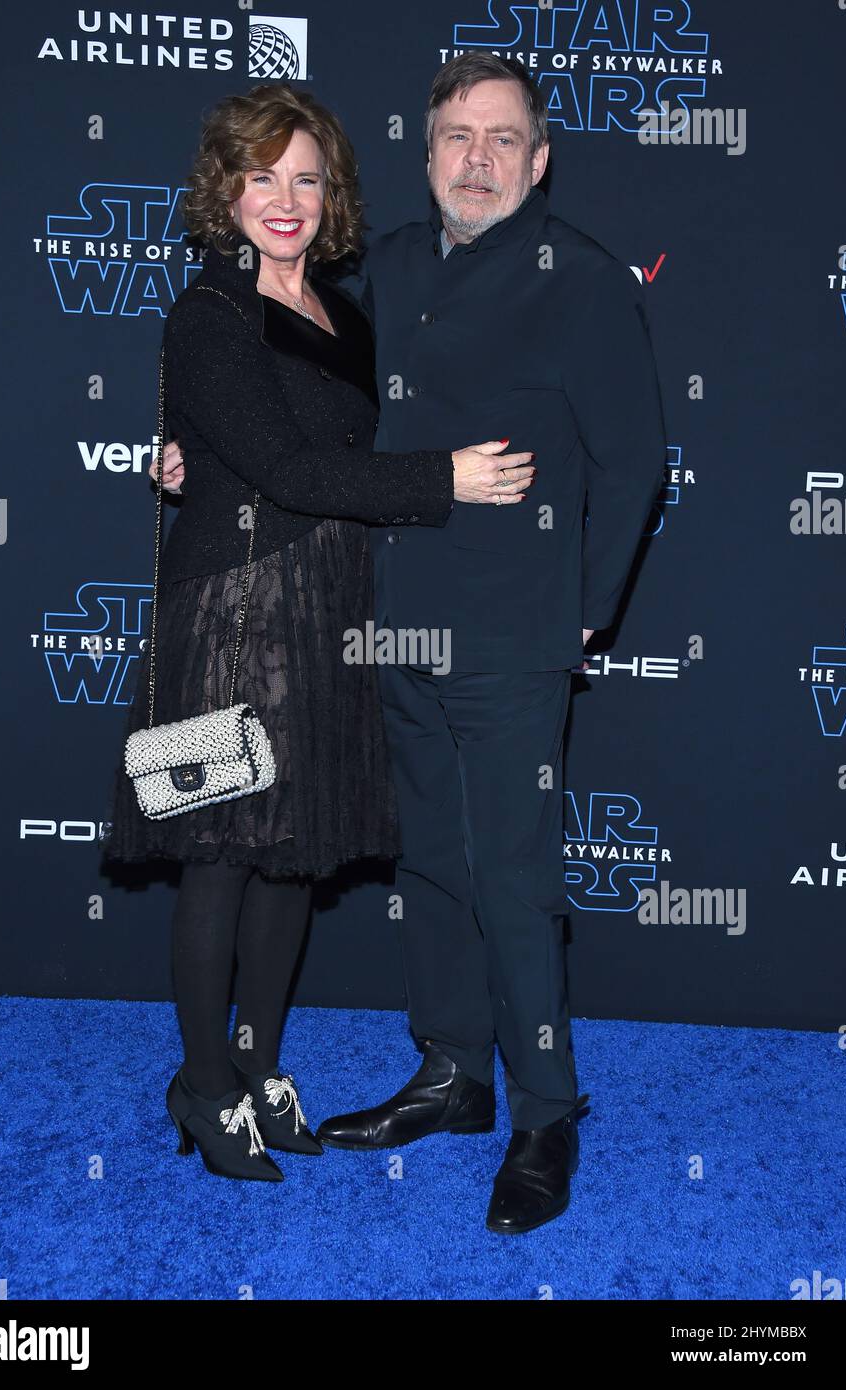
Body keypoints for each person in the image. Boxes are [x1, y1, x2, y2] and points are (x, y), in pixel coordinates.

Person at [101, 82, 535, 1183]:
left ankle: (256, 1064)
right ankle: (200, 1085)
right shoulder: (208, 313)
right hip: (234, 611)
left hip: (331, 608)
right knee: (221, 857)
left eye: (307, 176)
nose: (285, 199)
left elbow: (315, 443)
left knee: (291, 860)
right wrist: (445, 480)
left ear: (331, 189)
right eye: (263, 176)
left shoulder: (346, 314)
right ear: (226, 188)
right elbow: (290, 471)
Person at [313, 55, 668, 1234]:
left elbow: (635, 462)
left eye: (503, 140)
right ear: (425, 154)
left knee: (515, 878)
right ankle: (456, 1073)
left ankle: (546, 1113)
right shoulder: (388, 267)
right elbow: (307, 395)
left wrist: (584, 608)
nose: (477, 160)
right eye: (457, 138)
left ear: (540, 159)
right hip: (396, 616)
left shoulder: (584, 284)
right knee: (429, 862)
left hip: (514, 633)